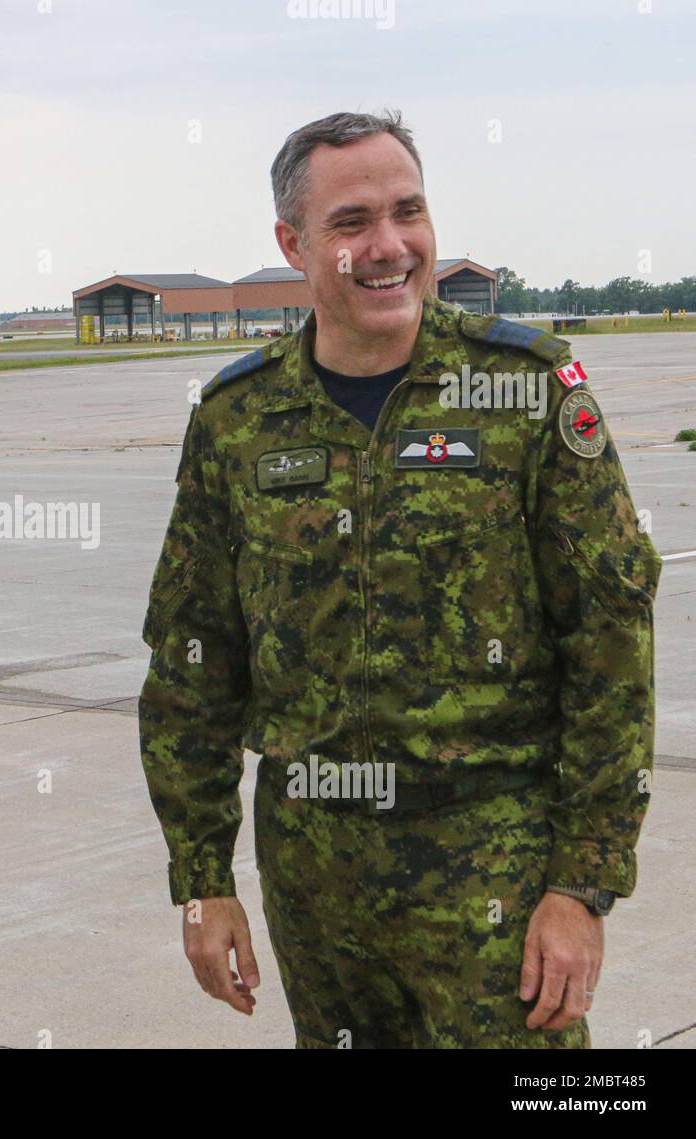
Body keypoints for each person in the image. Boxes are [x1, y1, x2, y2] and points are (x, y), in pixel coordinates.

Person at [137, 111, 662, 1048]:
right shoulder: (236, 418)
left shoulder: (528, 389)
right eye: (352, 223)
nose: (389, 247)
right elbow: (194, 662)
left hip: (493, 860)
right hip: (312, 870)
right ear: (293, 245)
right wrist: (202, 878)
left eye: (407, 212)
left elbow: (611, 646)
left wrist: (582, 884)